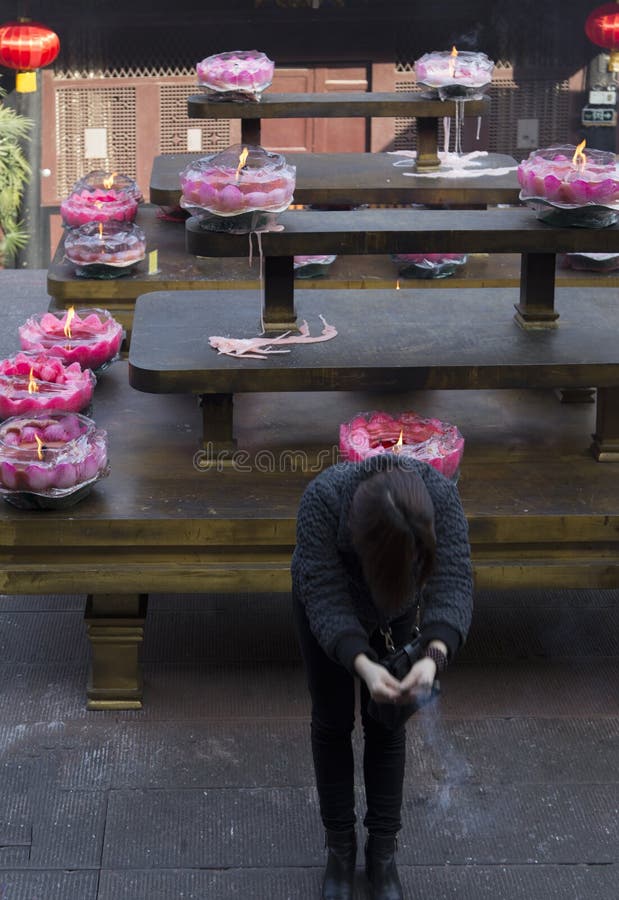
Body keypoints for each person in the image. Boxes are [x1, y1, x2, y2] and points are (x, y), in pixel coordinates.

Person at [291, 453, 473, 900]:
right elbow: (325, 595)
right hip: (324, 608)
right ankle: (340, 847)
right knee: (333, 722)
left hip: (396, 614)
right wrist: (364, 664)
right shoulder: (324, 499)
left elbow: (454, 579)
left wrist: (432, 656)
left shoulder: (440, 496)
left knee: (387, 726)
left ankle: (383, 851)